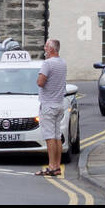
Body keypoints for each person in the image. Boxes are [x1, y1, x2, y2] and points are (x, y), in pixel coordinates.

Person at [36, 39, 67, 176]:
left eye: (46, 47)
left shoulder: (47, 64)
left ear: (52, 49)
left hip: (48, 104)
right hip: (59, 103)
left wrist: (38, 79)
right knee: (57, 136)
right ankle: (57, 166)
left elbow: (41, 82)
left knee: (49, 137)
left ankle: (51, 166)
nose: (44, 49)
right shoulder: (63, 62)